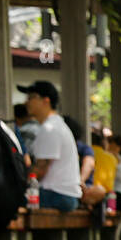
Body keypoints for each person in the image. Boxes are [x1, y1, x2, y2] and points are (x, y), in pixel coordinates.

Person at [18, 80, 81, 212]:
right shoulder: (55, 125)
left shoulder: (50, 128)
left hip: (57, 195)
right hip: (64, 195)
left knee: (6, 199)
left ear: (45, 101)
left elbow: (40, 169)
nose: (26, 102)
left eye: (31, 97)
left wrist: (18, 185)